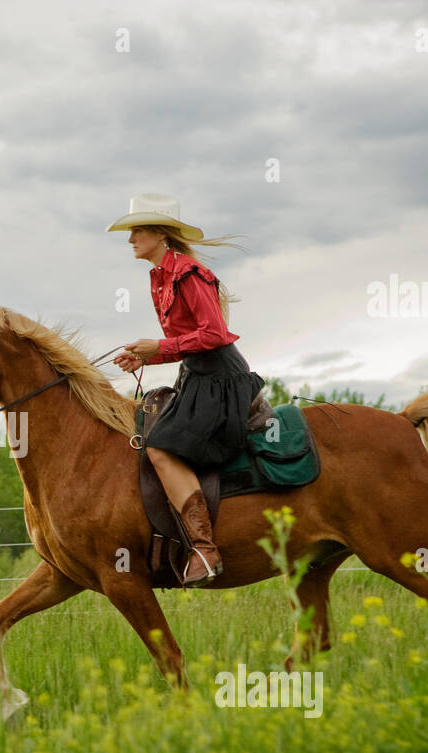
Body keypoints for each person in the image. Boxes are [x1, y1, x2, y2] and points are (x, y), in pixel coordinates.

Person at [107, 193, 266, 586]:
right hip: (197, 376)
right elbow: (187, 340)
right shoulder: (160, 277)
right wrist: (146, 358)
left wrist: (158, 348)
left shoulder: (189, 273)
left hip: (221, 381)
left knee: (159, 448)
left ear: (161, 234)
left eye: (138, 230)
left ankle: (205, 548)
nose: (131, 239)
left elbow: (213, 334)